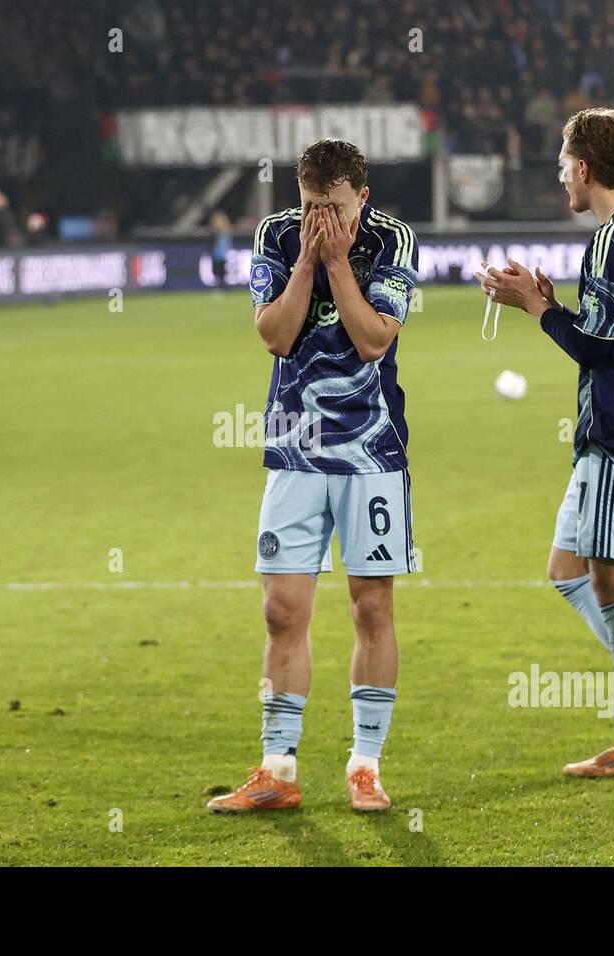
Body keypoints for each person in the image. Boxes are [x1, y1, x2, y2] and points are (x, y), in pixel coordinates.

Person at [475, 108, 614, 777]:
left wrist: (536, 309)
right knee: (567, 570)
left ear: (585, 168)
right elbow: (607, 332)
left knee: (612, 576)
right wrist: (547, 300)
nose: (560, 173)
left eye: (564, 161)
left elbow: (596, 348)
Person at [207, 139, 419, 812]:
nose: (319, 219)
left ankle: (365, 766)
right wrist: (307, 261)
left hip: (372, 453)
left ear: (362, 196)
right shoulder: (277, 237)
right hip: (295, 448)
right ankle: (277, 769)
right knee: (281, 611)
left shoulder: (392, 242)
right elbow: (275, 334)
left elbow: (372, 338)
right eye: (309, 207)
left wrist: (338, 264)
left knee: (371, 607)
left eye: (332, 207)